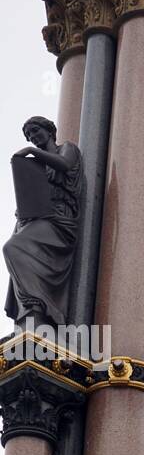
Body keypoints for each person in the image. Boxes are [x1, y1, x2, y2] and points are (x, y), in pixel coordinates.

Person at [3, 116, 81, 328]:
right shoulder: (37, 166)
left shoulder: (67, 148)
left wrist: (32, 151)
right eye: (29, 135)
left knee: (13, 247)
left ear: (49, 130)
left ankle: (45, 306)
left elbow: (65, 164)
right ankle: (33, 309)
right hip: (37, 217)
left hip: (59, 219)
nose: (32, 137)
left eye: (35, 131)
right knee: (14, 251)